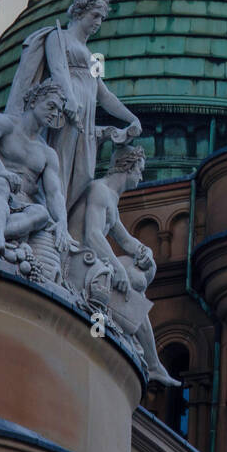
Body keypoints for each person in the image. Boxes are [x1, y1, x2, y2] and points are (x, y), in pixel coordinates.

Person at [6, 0, 141, 225]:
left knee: (84, 175)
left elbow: (105, 94)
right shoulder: (58, 37)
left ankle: (61, 221)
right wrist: (70, 103)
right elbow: (58, 71)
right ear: (80, 12)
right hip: (67, 116)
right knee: (60, 168)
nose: (99, 22)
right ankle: (51, 221)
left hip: (85, 124)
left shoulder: (92, 56)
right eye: (95, 15)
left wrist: (131, 118)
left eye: (102, 17)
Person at [76, 144, 180, 387]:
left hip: (95, 263)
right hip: (81, 262)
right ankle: (152, 363)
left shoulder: (110, 197)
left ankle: (152, 364)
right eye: (140, 170)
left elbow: (123, 238)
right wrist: (118, 268)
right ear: (128, 167)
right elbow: (92, 235)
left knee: (138, 279)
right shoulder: (99, 191)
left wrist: (147, 252)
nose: (141, 176)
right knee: (132, 285)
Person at [0, 79, 78, 260]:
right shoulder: (7, 124)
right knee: (1, 184)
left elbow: (54, 194)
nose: (55, 114)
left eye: (59, 111)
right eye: (51, 106)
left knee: (42, 213)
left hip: (22, 203)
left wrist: (62, 221)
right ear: (33, 101)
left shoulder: (47, 153)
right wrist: (0, 170)